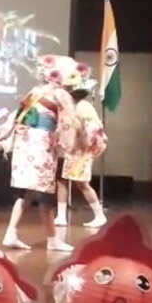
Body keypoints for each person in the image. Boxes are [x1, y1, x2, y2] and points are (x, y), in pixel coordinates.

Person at [0, 55, 83, 251]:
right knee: (45, 193)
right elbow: (68, 122)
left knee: (27, 192)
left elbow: (17, 117)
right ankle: (52, 239)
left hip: (25, 143)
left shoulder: (34, 91)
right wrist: (68, 144)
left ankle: (11, 232)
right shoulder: (61, 95)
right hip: (41, 144)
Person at [53, 72, 108, 228]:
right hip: (71, 149)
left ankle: (99, 215)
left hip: (81, 150)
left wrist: (84, 142)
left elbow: (93, 130)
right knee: (62, 180)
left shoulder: (83, 107)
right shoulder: (71, 107)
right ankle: (61, 216)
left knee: (82, 183)